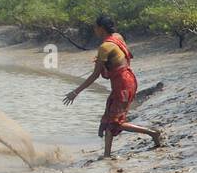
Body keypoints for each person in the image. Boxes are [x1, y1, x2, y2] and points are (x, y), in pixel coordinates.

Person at [62, 14, 164, 157]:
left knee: (116, 122)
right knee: (109, 118)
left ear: (101, 28)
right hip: (127, 80)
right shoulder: (117, 37)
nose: (94, 30)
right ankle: (106, 155)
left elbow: (95, 75)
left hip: (123, 84)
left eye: (95, 27)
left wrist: (75, 92)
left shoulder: (104, 47)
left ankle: (153, 133)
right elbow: (118, 59)